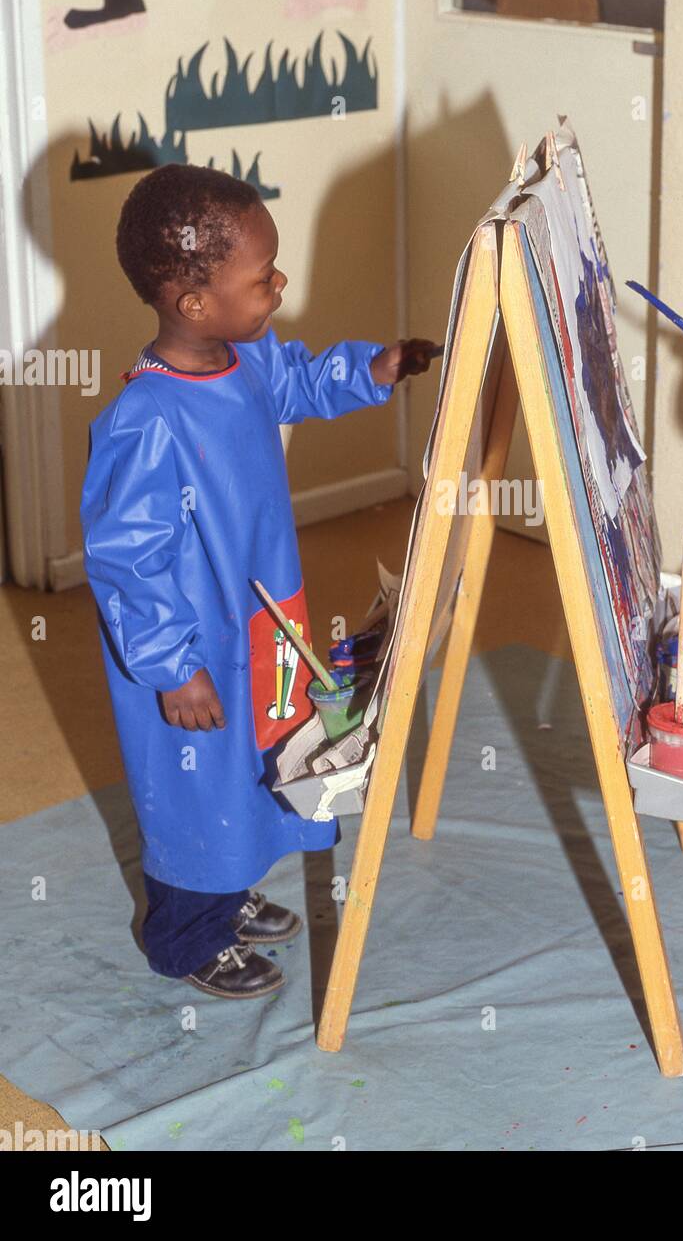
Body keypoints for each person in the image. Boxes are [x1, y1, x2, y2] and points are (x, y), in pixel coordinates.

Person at [81, 163, 438, 999]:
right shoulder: (144, 420)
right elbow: (127, 560)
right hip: (195, 653)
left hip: (264, 626)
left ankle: (232, 891)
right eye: (262, 276)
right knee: (192, 787)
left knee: (260, 759)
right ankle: (185, 935)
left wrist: (376, 370)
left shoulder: (247, 359)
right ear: (194, 303)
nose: (280, 284)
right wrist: (172, 668)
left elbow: (305, 381)